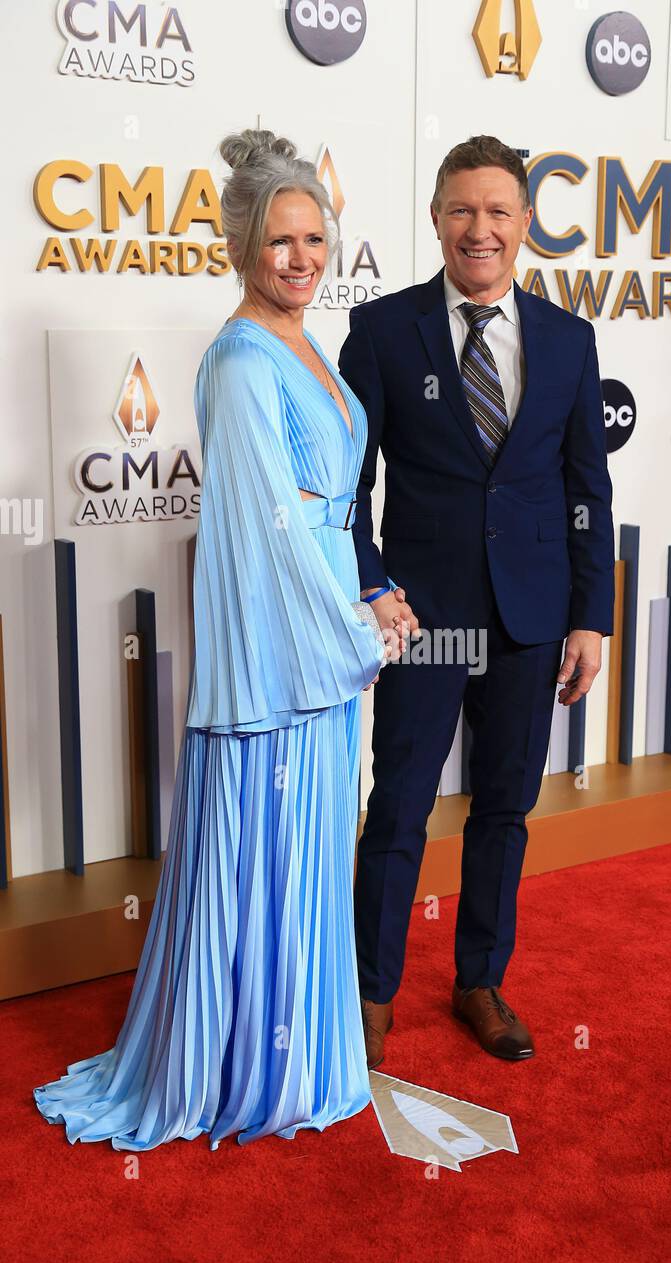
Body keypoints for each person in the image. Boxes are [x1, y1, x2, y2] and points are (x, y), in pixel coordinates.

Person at [32, 128, 402, 1151]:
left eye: (314, 238)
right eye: (280, 240)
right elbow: (267, 539)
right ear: (243, 244)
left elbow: (321, 514)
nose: (301, 258)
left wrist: (374, 593)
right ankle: (250, 1066)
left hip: (321, 635)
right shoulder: (242, 360)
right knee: (272, 854)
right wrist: (355, 629)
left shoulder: (297, 342)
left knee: (311, 850)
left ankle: (299, 1047)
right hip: (282, 659)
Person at [339, 134, 615, 1067]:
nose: (480, 229)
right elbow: (350, 486)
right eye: (462, 209)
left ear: (527, 224)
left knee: (504, 808)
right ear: (435, 218)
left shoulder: (570, 341)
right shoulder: (382, 331)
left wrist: (591, 615)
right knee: (401, 810)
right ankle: (370, 995)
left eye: (499, 211)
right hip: (426, 620)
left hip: (533, 618)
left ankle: (479, 983)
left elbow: (588, 488)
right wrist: (373, 584)